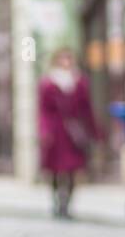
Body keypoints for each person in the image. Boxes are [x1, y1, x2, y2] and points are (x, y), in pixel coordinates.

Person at [38, 48, 102, 219]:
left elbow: (86, 109)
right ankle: (56, 199)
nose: (66, 62)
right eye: (63, 58)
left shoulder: (79, 82)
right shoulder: (48, 83)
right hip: (55, 132)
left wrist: (95, 132)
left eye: (69, 58)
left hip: (73, 133)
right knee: (55, 170)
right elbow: (43, 111)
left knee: (73, 168)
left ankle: (67, 204)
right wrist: (44, 131)